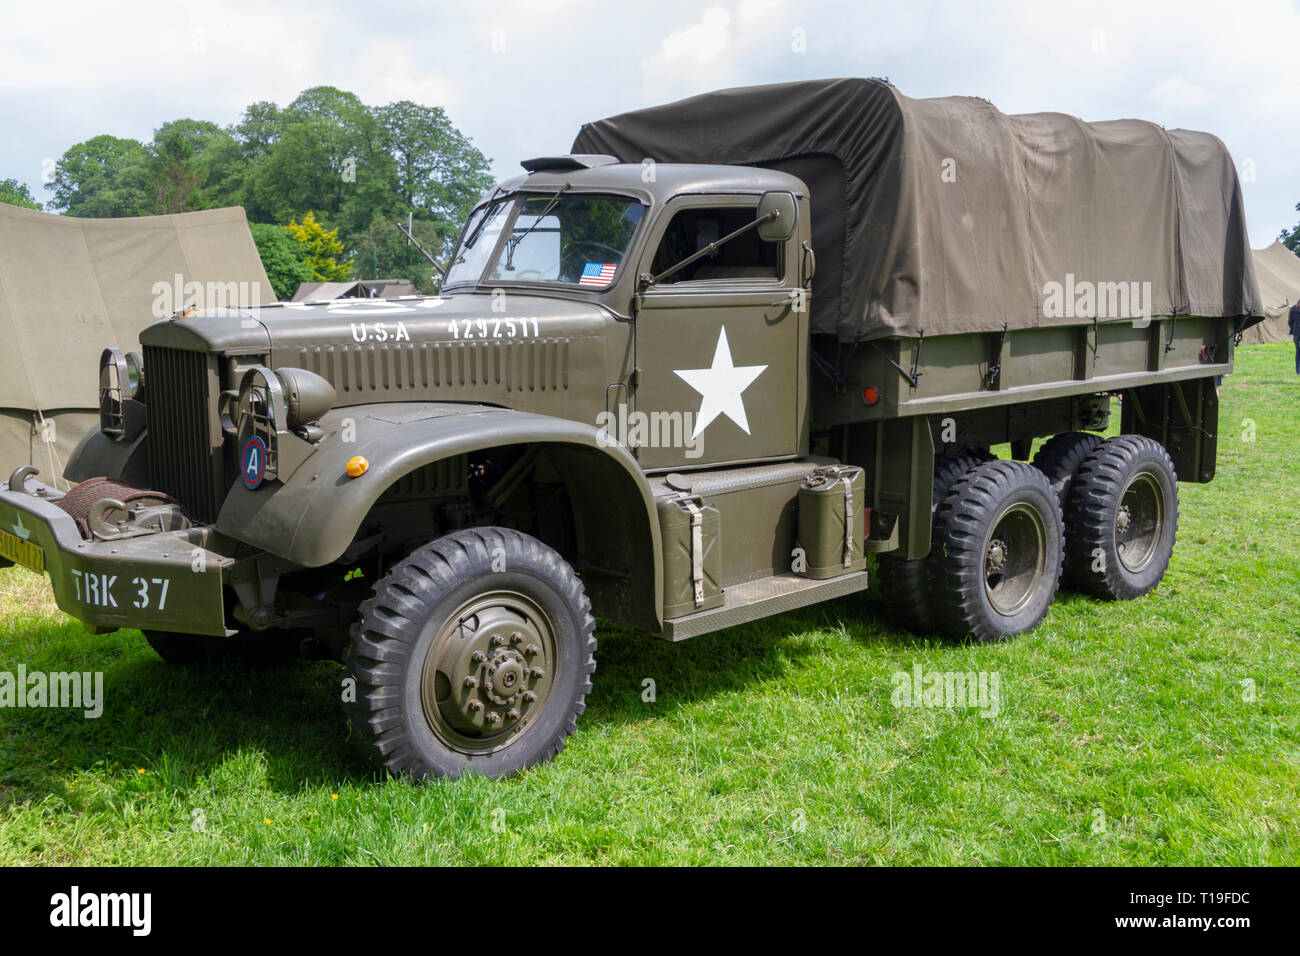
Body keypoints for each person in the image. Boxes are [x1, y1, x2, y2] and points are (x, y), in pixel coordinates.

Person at [1290, 302, 1300, 375]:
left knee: (1298, 351)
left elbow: (1290, 322)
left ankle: (1298, 371)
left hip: (1296, 333)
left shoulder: (1293, 309)